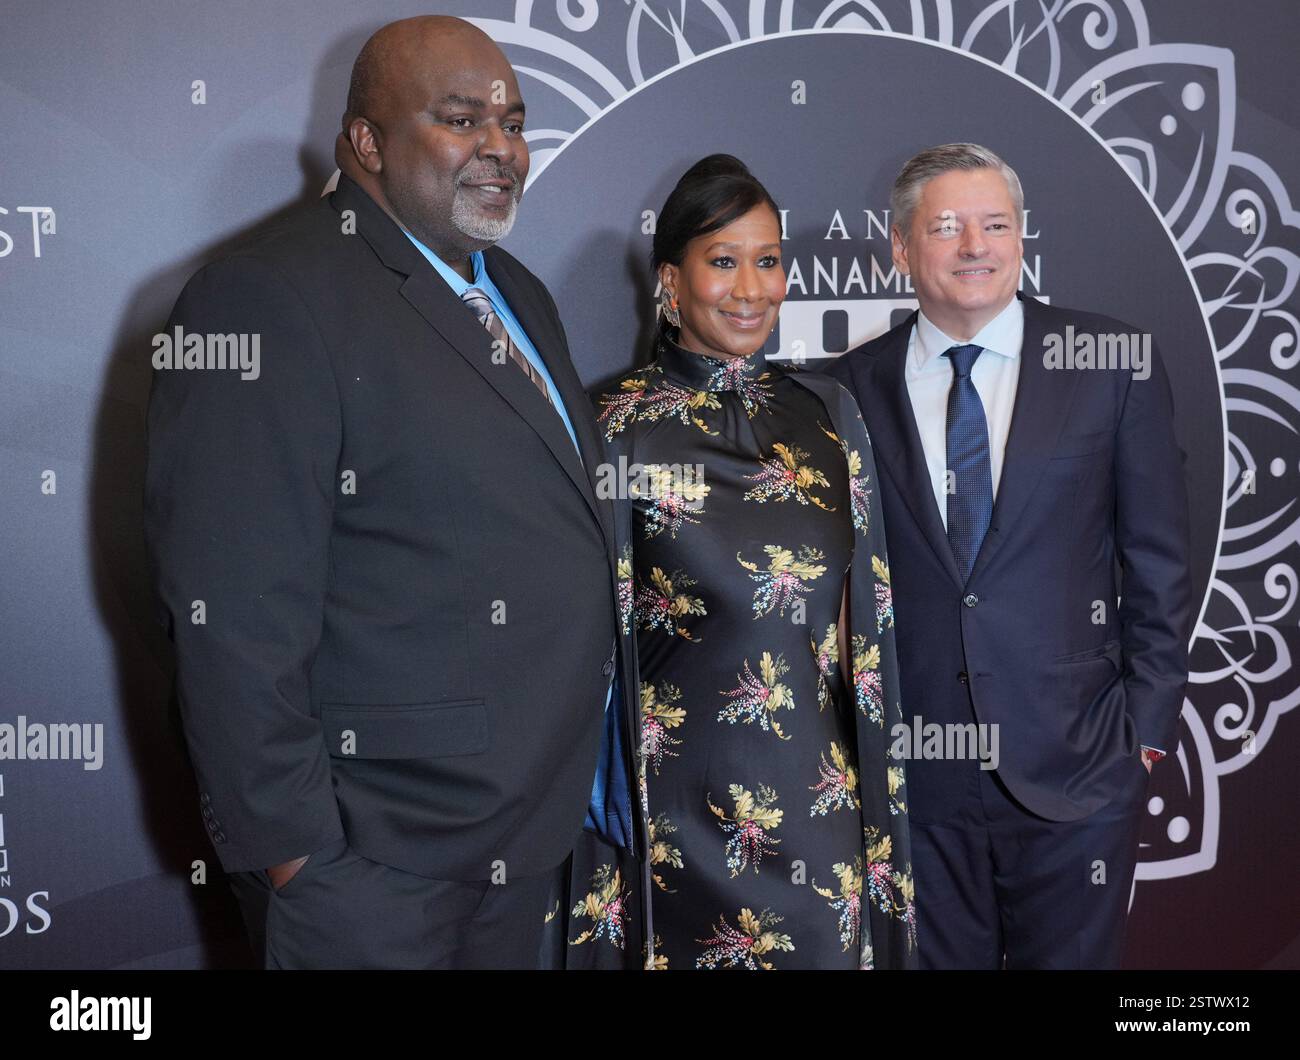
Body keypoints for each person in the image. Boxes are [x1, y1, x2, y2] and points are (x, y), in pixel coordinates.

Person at [143, 15, 644, 969]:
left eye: (513, 121)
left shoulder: (517, 291)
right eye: (461, 119)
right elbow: (231, 619)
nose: (499, 146)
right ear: (367, 142)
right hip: (379, 868)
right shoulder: (266, 297)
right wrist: (300, 861)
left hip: (525, 846)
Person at [826, 143, 1191, 969]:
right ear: (900, 246)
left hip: (1078, 769)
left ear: (1022, 237)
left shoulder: (1110, 365)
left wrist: (1146, 735)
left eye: (996, 224)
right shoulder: (844, 389)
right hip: (915, 783)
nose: (975, 247)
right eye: (947, 227)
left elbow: (1160, 562)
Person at [568, 155, 915, 970]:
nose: (751, 288)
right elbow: (579, 657)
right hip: (670, 825)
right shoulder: (611, 427)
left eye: (767, 261)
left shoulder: (829, 414)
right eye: (723, 261)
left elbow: (867, 641)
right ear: (671, 279)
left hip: (817, 808)